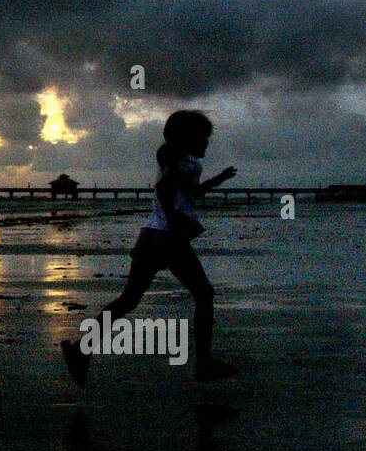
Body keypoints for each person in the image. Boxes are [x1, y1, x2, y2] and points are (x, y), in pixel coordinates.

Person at [62, 109, 239, 385]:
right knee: (203, 294)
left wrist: (219, 180)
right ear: (188, 138)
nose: (206, 144)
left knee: (129, 300)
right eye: (203, 138)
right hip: (167, 239)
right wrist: (173, 225)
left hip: (151, 237)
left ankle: (82, 350)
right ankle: (203, 364)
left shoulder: (180, 163)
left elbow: (188, 193)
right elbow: (164, 190)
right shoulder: (186, 164)